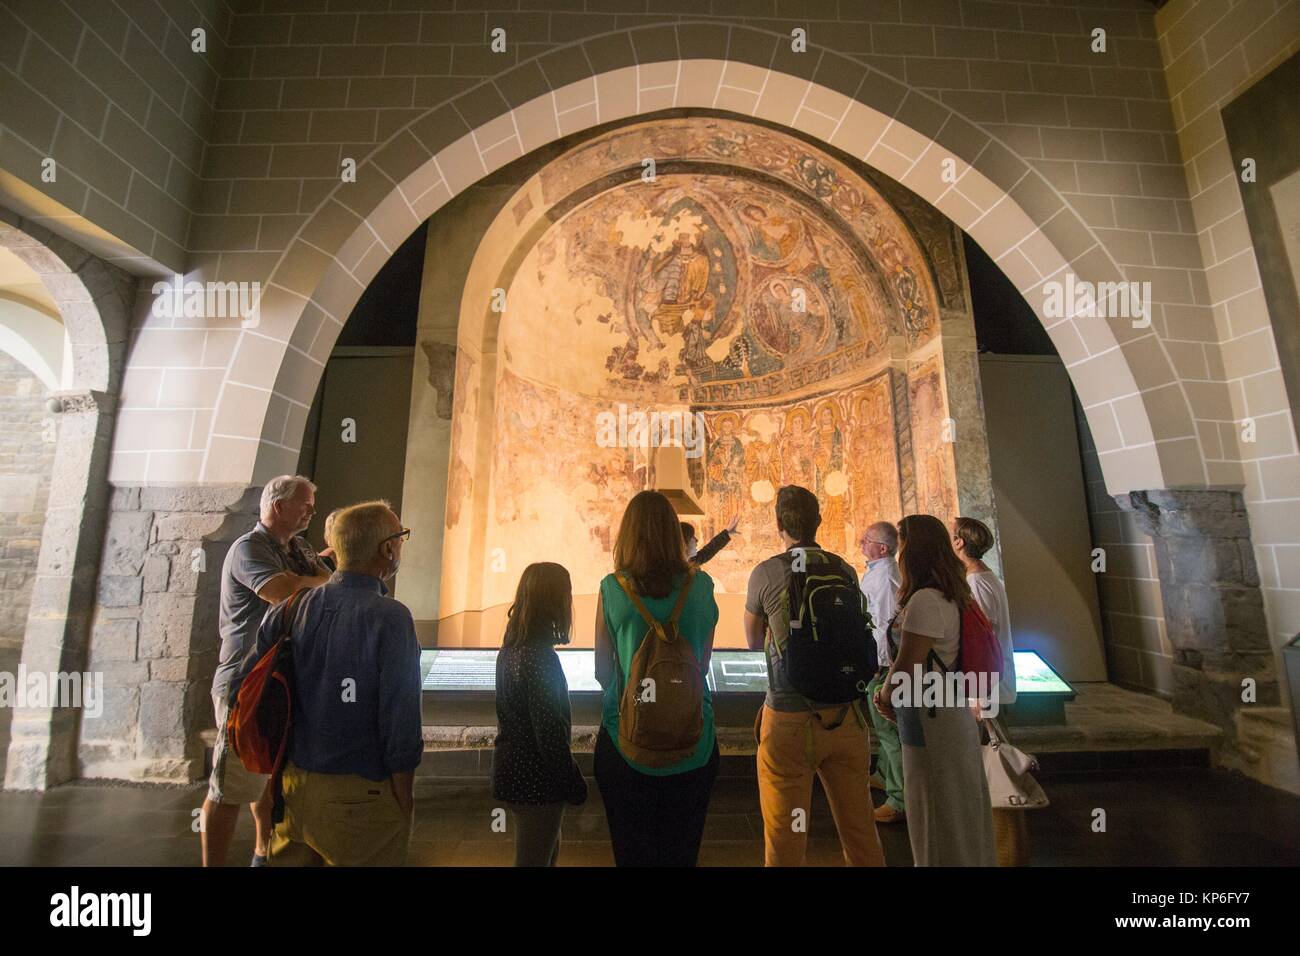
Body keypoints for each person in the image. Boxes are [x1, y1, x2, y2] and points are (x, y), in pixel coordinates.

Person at [245, 500, 423, 866]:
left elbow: (247, 688)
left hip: (292, 787)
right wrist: (404, 797)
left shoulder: (290, 608)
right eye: (401, 537)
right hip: (359, 795)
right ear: (387, 548)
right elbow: (399, 716)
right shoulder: (390, 618)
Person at [744, 485, 885, 867]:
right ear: (819, 521)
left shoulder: (767, 572)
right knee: (860, 831)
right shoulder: (844, 569)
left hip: (789, 719)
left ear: (778, 525)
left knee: (786, 836)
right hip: (847, 718)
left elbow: (753, 640)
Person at [202, 475, 332, 867]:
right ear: (278, 506)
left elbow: (318, 579)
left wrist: (311, 578)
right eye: (305, 503)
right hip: (246, 681)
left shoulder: (298, 547)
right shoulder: (248, 548)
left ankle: (262, 852)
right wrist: (313, 582)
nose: (311, 510)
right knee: (231, 785)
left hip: (279, 678)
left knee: (267, 777)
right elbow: (282, 592)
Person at [595, 491, 720, 866]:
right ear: (672, 532)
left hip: (626, 741)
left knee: (631, 854)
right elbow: (703, 662)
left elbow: (603, 670)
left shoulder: (612, 587)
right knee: (681, 853)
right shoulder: (701, 586)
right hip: (694, 740)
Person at [874, 514, 995, 867]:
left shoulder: (926, 600)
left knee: (934, 813)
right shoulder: (950, 593)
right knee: (953, 812)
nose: (899, 554)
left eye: (903, 546)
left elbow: (908, 663)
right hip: (943, 711)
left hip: (932, 717)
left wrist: (883, 695)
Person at [493, 562, 588, 866]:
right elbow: (549, 734)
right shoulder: (539, 659)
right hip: (536, 780)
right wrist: (574, 781)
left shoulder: (513, 648)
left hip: (516, 771)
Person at [953, 515, 1027, 866]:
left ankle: (1006, 850)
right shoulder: (980, 577)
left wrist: (976, 696)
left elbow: (982, 637)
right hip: (987, 684)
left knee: (994, 765)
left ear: (959, 543)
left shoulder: (977, 581)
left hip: (985, 686)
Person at [860, 521, 905, 825]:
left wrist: (881, 663)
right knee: (882, 729)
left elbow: (888, 624)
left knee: (889, 732)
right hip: (877, 662)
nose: (861, 543)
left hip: (883, 665)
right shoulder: (878, 572)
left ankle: (899, 798)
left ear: (883, 548)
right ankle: (883, 774)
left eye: (867, 540)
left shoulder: (887, 576)